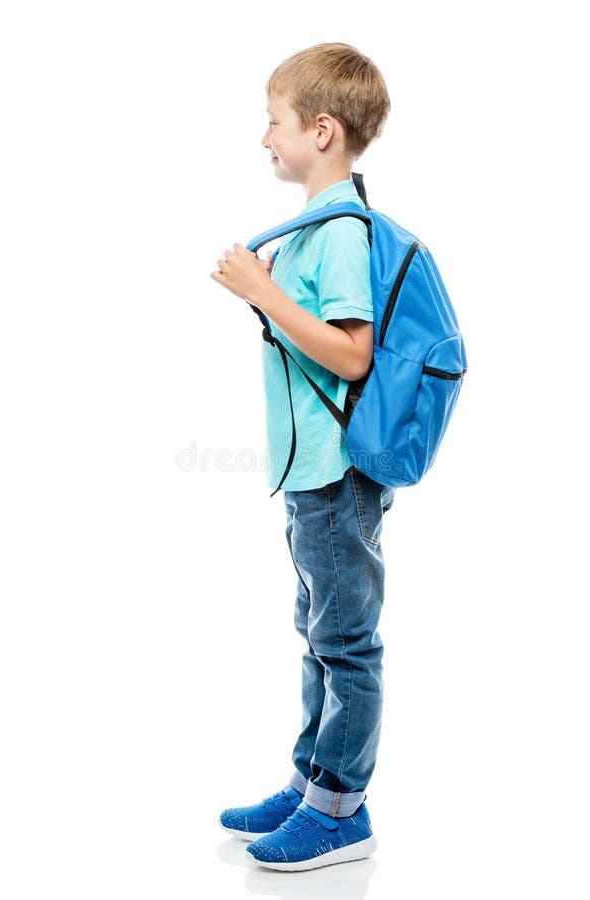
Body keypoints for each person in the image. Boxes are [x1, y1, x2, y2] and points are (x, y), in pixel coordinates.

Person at [210, 42, 393, 872]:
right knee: (316, 631)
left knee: (345, 641)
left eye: (273, 123)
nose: (264, 139)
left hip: (337, 472)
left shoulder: (342, 231)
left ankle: (339, 812)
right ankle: (312, 777)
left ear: (321, 131)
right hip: (310, 470)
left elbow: (351, 355)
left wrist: (263, 292)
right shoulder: (315, 227)